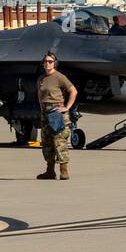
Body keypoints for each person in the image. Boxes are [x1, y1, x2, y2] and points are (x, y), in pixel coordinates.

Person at [36, 52, 77, 180]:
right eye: (46, 61)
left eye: (50, 61)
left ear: (55, 63)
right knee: (47, 142)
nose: (47, 63)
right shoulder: (41, 79)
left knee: (59, 141)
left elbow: (73, 91)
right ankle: (50, 171)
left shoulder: (59, 77)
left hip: (56, 112)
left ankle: (64, 171)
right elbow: (39, 95)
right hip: (45, 113)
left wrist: (67, 107)